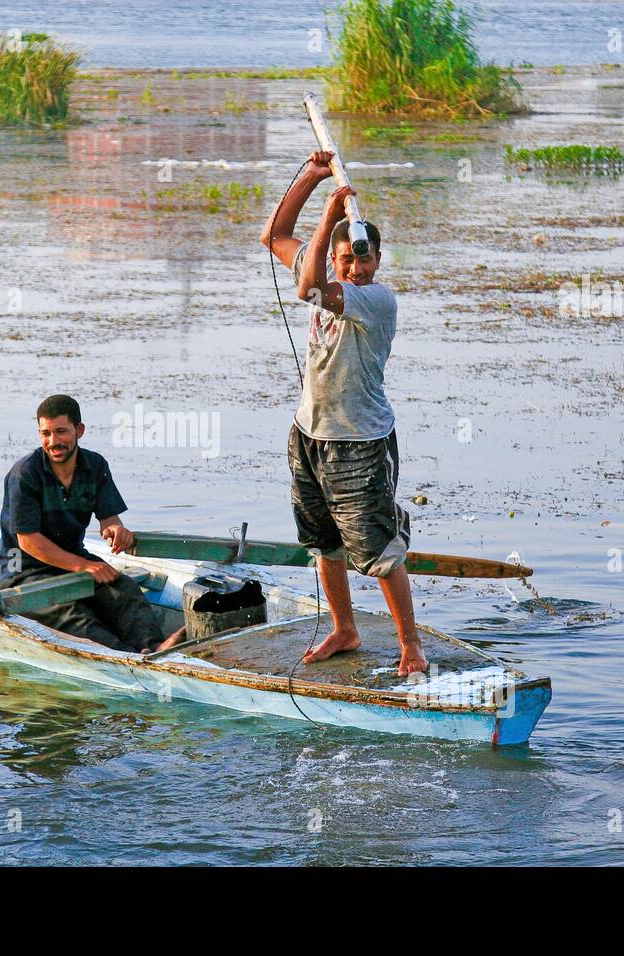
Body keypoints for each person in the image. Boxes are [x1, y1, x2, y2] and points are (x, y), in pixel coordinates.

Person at [259, 149, 428, 676]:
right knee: (323, 542)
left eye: (365, 259)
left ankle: (410, 644)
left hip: (359, 439)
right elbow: (274, 235)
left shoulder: (376, 300)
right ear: (334, 258)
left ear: (378, 261)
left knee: (378, 549)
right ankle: (345, 628)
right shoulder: (322, 266)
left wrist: (333, 216)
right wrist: (312, 178)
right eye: (347, 260)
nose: (356, 269)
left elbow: (310, 288)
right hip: (308, 432)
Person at [0, 394, 186, 654]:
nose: (53, 442)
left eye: (61, 432)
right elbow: (28, 541)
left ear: (79, 430)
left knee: (124, 589)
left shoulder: (95, 465)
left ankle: (152, 647)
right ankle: (126, 657)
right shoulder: (25, 474)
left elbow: (109, 519)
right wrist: (84, 566)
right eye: (46, 433)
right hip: (22, 569)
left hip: (72, 560)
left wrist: (116, 530)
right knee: (73, 614)